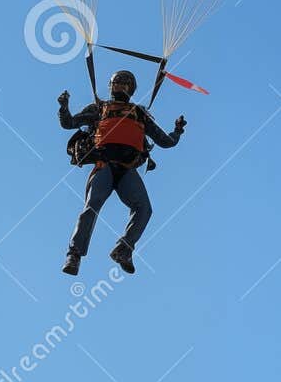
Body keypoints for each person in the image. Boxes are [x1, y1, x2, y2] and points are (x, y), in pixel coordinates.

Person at [59, 69, 186, 275]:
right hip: (105, 165)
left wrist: (177, 131)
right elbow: (69, 123)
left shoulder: (139, 114)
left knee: (144, 208)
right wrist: (64, 108)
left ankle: (123, 249)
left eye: (124, 83)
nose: (120, 86)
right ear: (111, 86)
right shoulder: (100, 109)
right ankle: (74, 255)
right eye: (117, 83)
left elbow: (166, 141)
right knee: (92, 206)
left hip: (127, 170)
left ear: (131, 88)